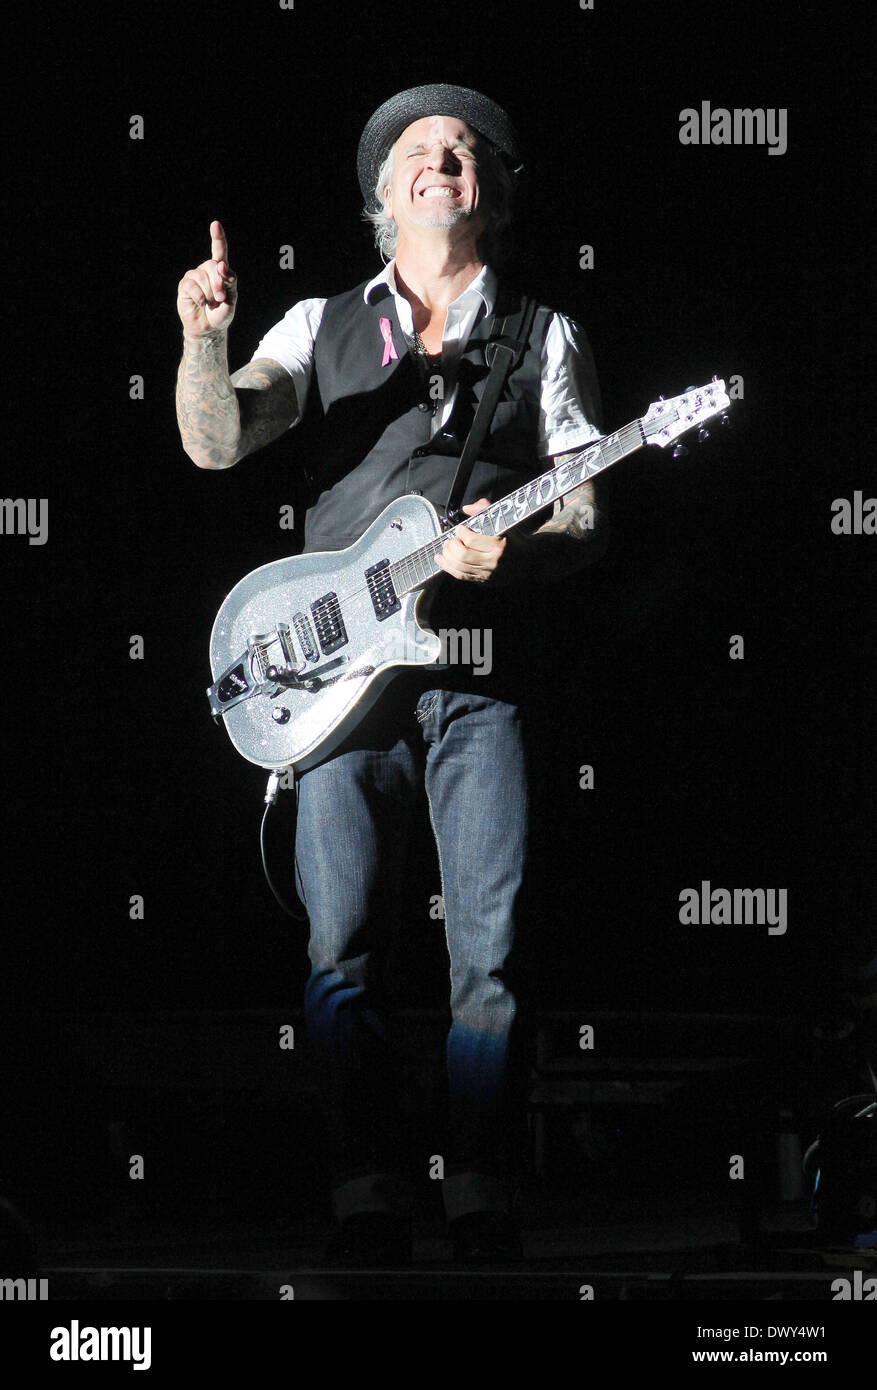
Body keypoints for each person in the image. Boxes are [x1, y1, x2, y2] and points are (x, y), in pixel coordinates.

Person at [176, 84, 606, 1266]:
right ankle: (364, 1186)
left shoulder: (543, 332)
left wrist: (516, 554)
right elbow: (217, 441)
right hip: (332, 681)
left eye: (465, 152)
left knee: (493, 951)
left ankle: (477, 1189)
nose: (443, 160)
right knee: (341, 950)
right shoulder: (319, 325)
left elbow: (585, 514)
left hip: (480, 672)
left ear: (493, 192)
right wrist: (202, 339)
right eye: (419, 150)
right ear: (383, 195)